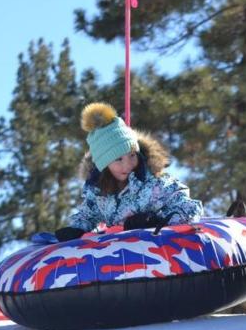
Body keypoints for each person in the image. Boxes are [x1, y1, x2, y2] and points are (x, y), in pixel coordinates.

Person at [55, 102, 203, 242]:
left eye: (132, 155)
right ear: (104, 165)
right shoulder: (98, 192)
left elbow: (189, 207)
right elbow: (88, 214)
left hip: (158, 255)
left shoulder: (155, 183)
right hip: (126, 260)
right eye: (118, 159)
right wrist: (76, 229)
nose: (128, 165)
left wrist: (155, 220)